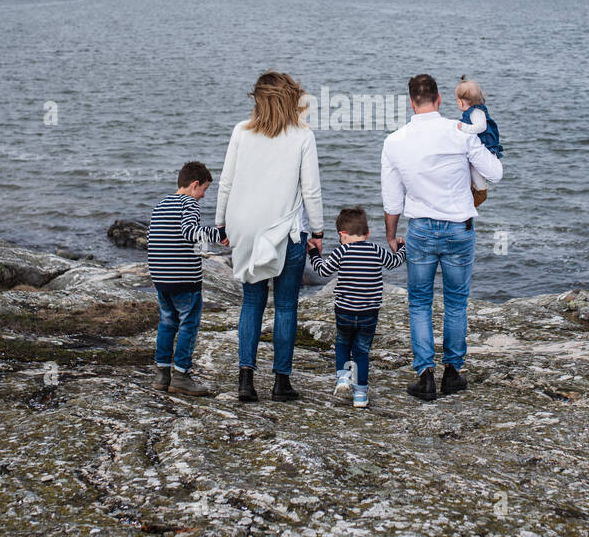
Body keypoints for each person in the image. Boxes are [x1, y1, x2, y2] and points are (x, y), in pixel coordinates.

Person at [381, 73, 503, 401]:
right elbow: (496, 173)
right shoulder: (459, 132)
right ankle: (453, 373)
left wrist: (392, 236)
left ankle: (425, 376)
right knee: (456, 302)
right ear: (438, 101)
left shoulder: (394, 141)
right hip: (458, 229)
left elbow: (392, 201)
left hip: (419, 229)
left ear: (411, 102)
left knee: (419, 302)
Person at [215, 71, 325, 402]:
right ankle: (281, 382)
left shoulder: (240, 132)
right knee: (286, 306)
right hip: (288, 234)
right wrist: (318, 232)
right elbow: (311, 190)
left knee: (252, 302)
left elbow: (226, 182)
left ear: (258, 100)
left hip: (247, 231)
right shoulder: (302, 135)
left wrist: (220, 224)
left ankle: (246, 381)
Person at [308, 206, 405, 408]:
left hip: (344, 310)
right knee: (361, 351)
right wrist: (402, 247)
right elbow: (395, 262)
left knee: (343, 344)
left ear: (342, 235)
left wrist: (314, 253)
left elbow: (322, 271)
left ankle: (343, 379)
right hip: (369, 313)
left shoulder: (341, 252)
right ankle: (360, 395)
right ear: (367, 233)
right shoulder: (376, 250)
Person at [146, 161, 228, 396]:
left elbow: (153, 238)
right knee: (188, 324)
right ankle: (181, 375)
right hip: (184, 278)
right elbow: (190, 233)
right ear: (194, 185)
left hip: (161, 278)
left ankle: (162, 374)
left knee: (167, 323)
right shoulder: (189, 203)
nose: (203, 196)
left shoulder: (161, 205)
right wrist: (220, 233)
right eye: (204, 190)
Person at [454, 76, 504, 208]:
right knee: (472, 166)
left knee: (476, 168)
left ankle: (480, 190)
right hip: (479, 145)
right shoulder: (474, 111)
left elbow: (480, 127)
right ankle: (474, 188)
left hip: (485, 145)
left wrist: (464, 128)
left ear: (460, 102)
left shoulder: (476, 112)